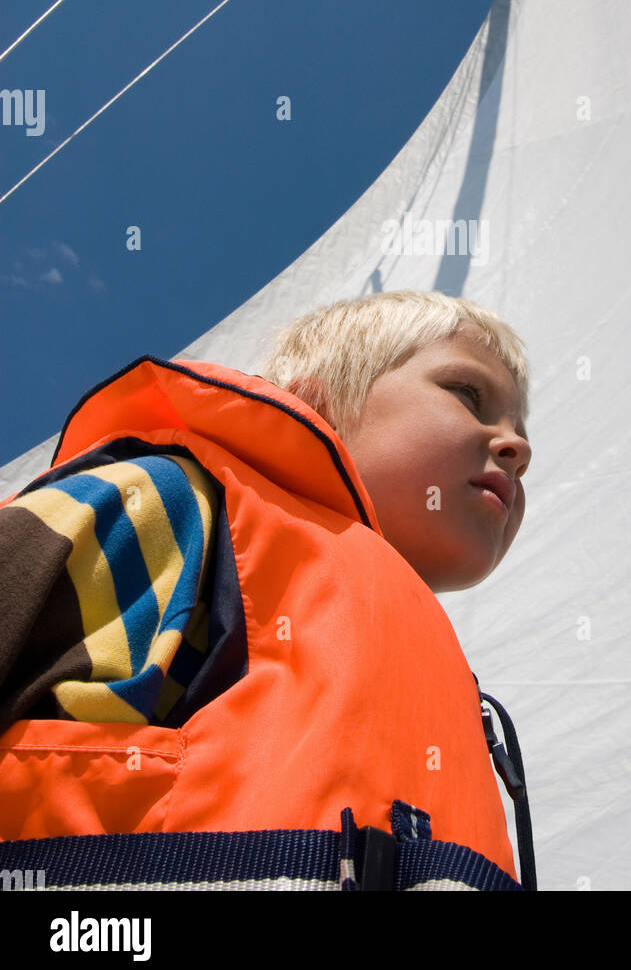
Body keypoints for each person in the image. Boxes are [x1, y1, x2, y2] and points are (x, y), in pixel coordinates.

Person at [0, 290, 535, 890]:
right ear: (318, 400)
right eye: (468, 395)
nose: (518, 449)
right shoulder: (175, 506)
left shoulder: (447, 686)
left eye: (521, 430)